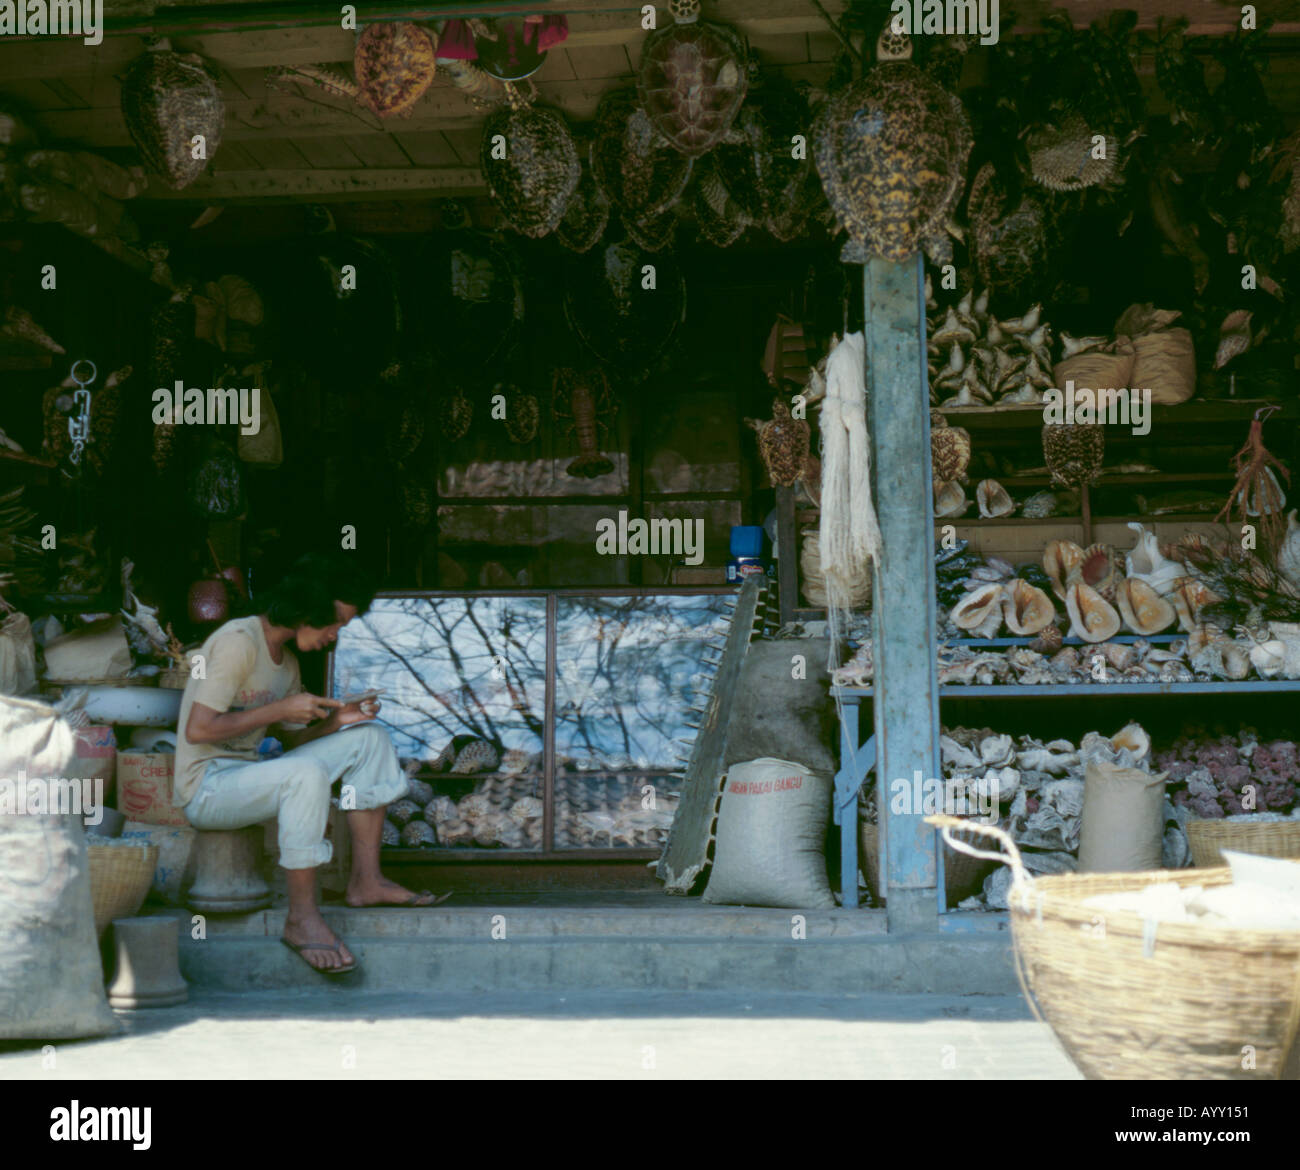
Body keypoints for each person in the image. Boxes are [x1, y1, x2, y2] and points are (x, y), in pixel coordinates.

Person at [176, 553, 447, 975]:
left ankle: (366, 881)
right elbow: (199, 729)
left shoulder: (287, 661)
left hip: (249, 774)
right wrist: (280, 708)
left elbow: (289, 744)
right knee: (305, 774)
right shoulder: (237, 641)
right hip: (207, 787)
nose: (335, 636)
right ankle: (302, 918)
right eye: (334, 622)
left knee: (370, 740)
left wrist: (339, 720)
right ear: (307, 606)